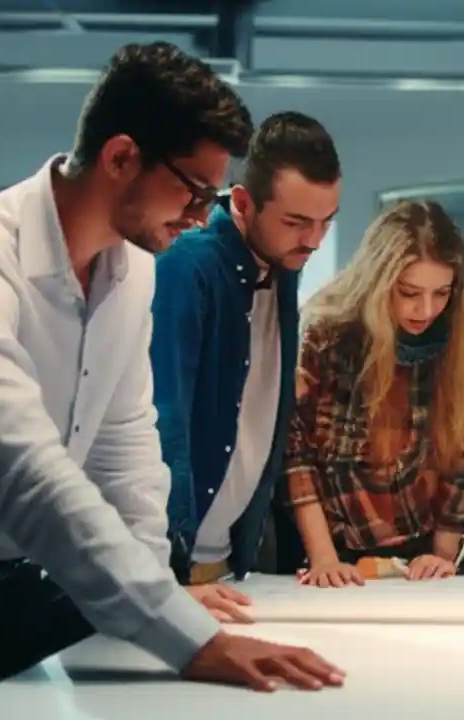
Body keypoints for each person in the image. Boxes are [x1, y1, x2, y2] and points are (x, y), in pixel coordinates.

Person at [0, 43, 342, 719]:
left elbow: (126, 448)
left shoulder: (131, 272)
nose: (200, 215)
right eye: (192, 190)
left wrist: (159, 586)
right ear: (121, 157)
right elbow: (26, 474)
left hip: (23, 585)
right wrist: (187, 638)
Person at [151, 111, 341, 604]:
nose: (314, 240)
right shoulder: (187, 265)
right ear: (241, 202)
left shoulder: (283, 266)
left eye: (326, 222)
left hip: (232, 561)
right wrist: (167, 566)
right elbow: (163, 422)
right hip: (173, 564)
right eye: (297, 222)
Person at [286, 200, 464, 587]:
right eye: (409, 292)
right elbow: (297, 458)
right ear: (379, 282)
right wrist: (323, 559)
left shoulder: (462, 345)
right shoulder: (326, 335)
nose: (426, 310)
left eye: (441, 293)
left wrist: (440, 557)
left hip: (425, 535)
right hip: (339, 541)